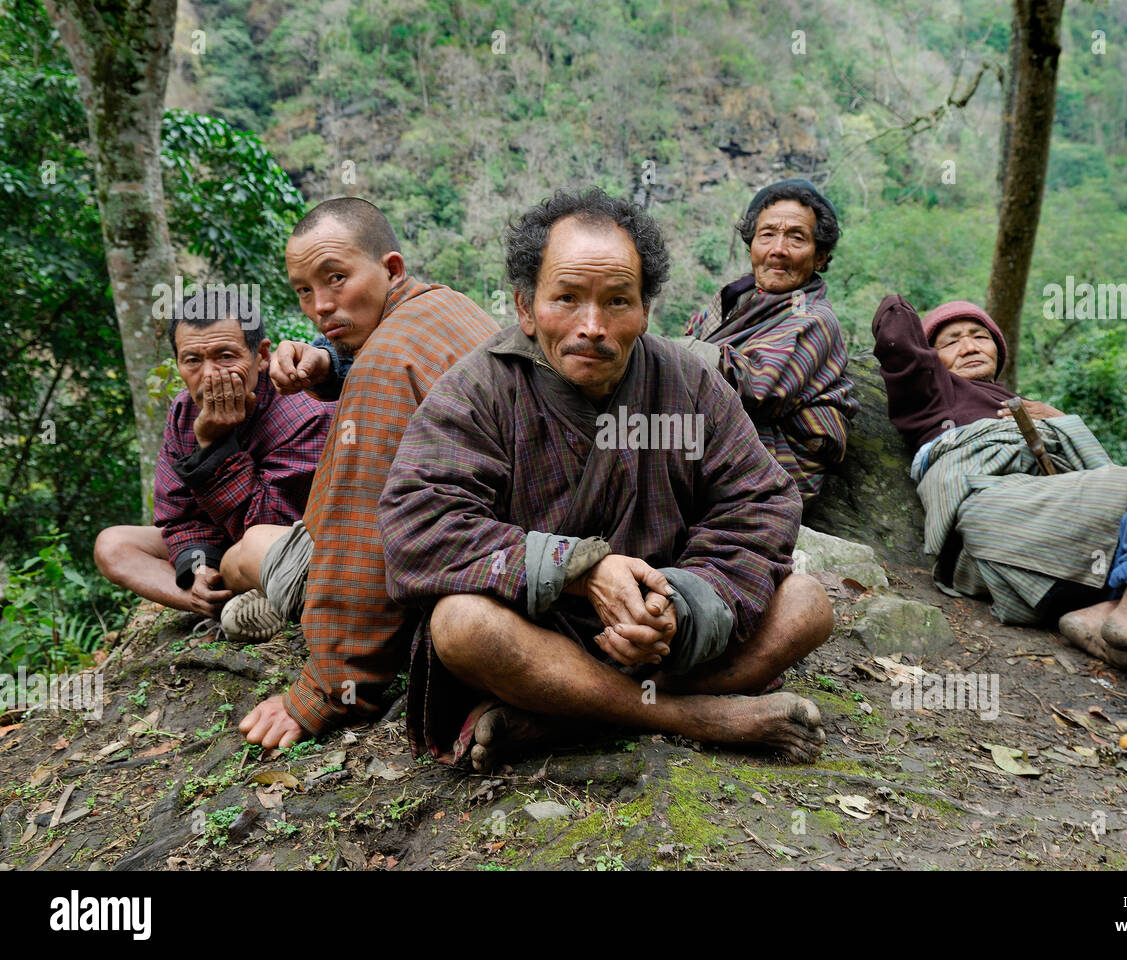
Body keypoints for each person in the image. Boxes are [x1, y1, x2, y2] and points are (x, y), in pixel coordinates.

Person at [379, 188, 832, 771]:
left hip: (663, 636)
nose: (592, 326)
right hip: (538, 633)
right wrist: (578, 569)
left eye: (618, 302)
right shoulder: (479, 391)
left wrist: (682, 606)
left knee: (807, 602)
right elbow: (418, 527)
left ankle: (557, 716)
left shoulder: (688, 384)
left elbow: (761, 502)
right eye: (566, 298)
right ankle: (695, 716)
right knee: (461, 625)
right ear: (524, 306)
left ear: (645, 310)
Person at [872, 295, 1127, 687]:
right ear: (932, 360)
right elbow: (898, 340)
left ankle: (1100, 615)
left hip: (1058, 565)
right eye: (951, 341)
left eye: (980, 337)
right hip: (999, 522)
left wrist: (1061, 423)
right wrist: (898, 306)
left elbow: (1103, 490)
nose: (969, 346)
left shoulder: (1025, 405)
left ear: (998, 351)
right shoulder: (934, 393)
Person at [236, 198, 499, 748]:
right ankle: (269, 596)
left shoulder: (383, 366)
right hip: (493, 541)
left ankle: (265, 597)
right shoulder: (447, 305)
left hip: (440, 570)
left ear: (392, 269)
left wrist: (328, 689)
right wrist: (329, 364)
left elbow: (358, 531)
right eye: (304, 290)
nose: (320, 306)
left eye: (336, 278)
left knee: (246, 551)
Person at [94, 290, 330, 622]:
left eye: (225, 356)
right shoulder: (183, 411)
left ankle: (256, 599)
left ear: (261, 356)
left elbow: (271, 528)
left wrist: (213, 447)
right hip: (224, 542)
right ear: (178, 363)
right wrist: (196, 564)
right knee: (113, 545)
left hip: (280, 545)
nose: (209, 374)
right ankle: (206, 599)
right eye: (192, 360)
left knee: (250, 548)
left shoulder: (303, 410)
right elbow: (177, 517)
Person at [679, 178, 858, 501]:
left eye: (796, 238)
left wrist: (667, 351)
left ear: (820, 257)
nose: (778, 249)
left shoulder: (814, 317)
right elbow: (687, 349)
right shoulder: (734, 300)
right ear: (751, 245)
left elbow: (759, 389)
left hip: (777, 464)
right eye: (767, 235)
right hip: (719, 438)